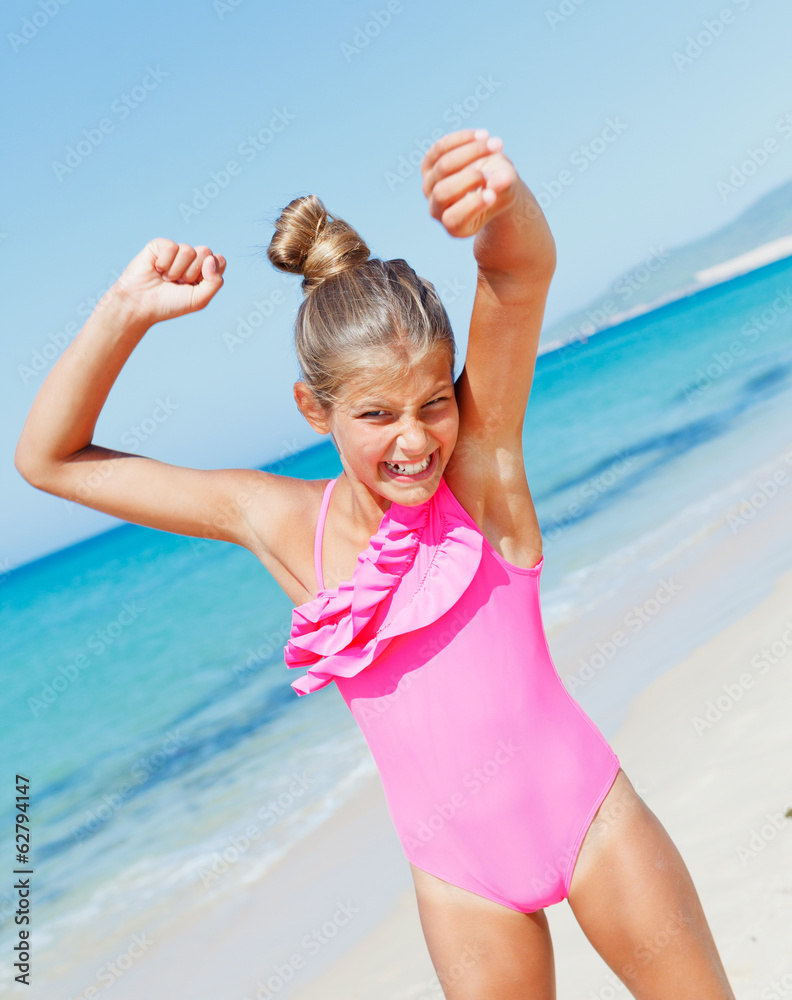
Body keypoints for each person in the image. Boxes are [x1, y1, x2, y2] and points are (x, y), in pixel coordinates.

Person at [15, 128, 737, 999]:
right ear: (313, 410)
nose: (413, 438)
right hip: (462, 884)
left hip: (592, 824)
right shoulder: (283, 525)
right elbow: (48, 460)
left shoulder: (480, 468)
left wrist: (502, 203)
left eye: (435, 402)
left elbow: (514, 275)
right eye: (376, 414)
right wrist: (124, 310)